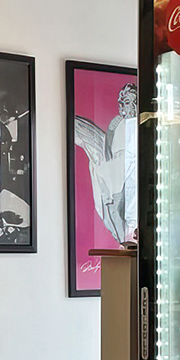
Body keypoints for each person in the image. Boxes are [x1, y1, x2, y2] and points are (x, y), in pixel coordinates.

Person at [74, 82, 138, 244]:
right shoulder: (115, 124)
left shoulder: (140, 126)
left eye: (129, 101)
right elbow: (108, 151)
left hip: (129, 179)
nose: (124, 105)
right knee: (115, 213)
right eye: (122, 102)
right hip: (116, 179)